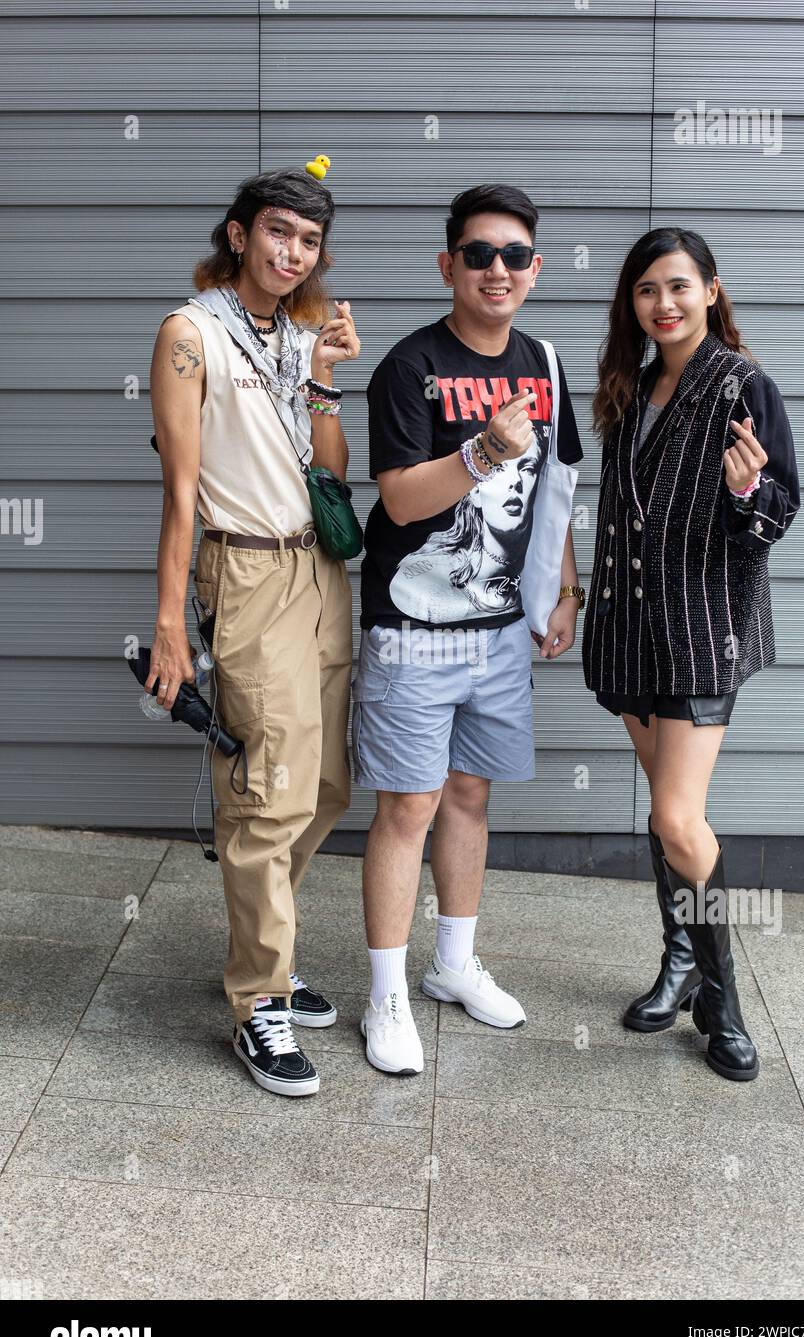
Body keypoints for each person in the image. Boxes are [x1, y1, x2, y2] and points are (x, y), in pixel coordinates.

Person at [354, 184, 584, 1075]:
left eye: (516, 255)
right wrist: (484, 450)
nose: (499, 269)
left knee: (470, 798)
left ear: (533, 269)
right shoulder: (411, 366)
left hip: (495, 632)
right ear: (448, 264)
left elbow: (556, 493)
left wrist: (561, 591)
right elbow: (403, 499)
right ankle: (387, 997)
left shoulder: (545, 363)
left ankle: (451, 966)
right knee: (407, 805)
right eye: (479, 253)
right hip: (413, 626)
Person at [147, 167, 360, 1096]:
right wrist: (168, 625)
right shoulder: (190, 333)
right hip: (242, 569)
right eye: (276, 233)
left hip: (318, 568)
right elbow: (180, 490)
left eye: (307, 242)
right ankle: (259, 999)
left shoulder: (301, 335)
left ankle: (261, 945)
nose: (291, 253)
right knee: (267, 788)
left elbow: (334, 468)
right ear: (239, 234)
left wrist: (322, 383)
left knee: (323, 783)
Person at [582, 226, 799, 1083]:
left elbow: (775, 515)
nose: (662, 304)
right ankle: (677, 960)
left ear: (711, 289)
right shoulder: (630, 386)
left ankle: (720, 997)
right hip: (630, 633)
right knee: (669, 811)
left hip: (704, 632)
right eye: (646, 291)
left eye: (678, 287)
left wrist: (748, 490)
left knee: (679, 817)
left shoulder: (743, 386)